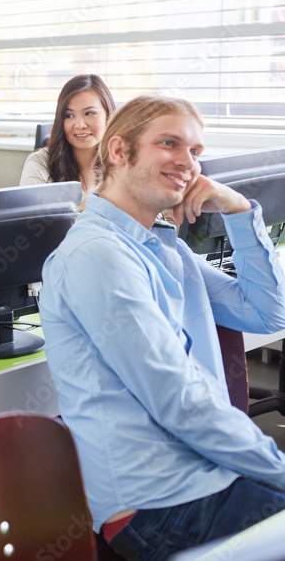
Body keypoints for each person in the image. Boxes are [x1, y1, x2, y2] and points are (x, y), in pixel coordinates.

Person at [39, 95, 285, 560]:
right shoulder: (98, 255)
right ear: (119, 152)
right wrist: (278, 467)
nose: (188, 163)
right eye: (169, 143)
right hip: (160, 503)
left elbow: (268, 314)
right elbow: (178, 400)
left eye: (195, 151)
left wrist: (237, 209)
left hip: (211, 470)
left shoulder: (161, 246)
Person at [20, 74, 116, 193]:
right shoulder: (40, 163)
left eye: (89, 113)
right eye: (69, 115)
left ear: (108, 114)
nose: (80, 125)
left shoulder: (124, 163)